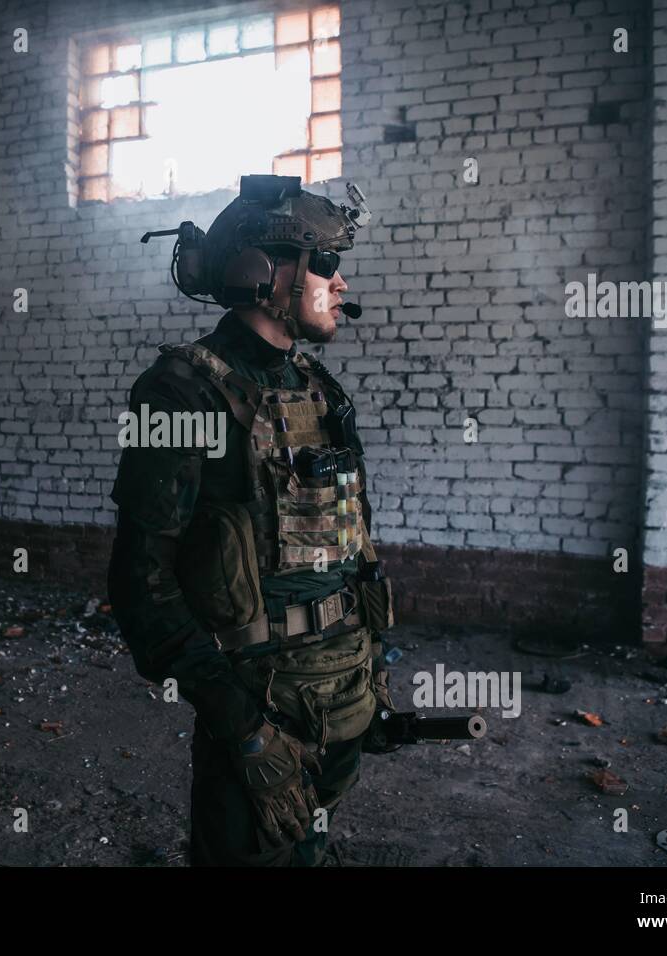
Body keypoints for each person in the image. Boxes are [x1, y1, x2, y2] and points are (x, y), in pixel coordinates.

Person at [107, 175, 396, 866]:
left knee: (310, 851)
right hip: (259, 706)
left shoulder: (318, 390)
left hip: (343, 690)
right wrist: (241, 728)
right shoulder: (178, 394)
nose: (341, 281)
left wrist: (372, 674)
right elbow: (140, 582)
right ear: (263, 273)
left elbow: (352, 543)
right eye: (325, 262)